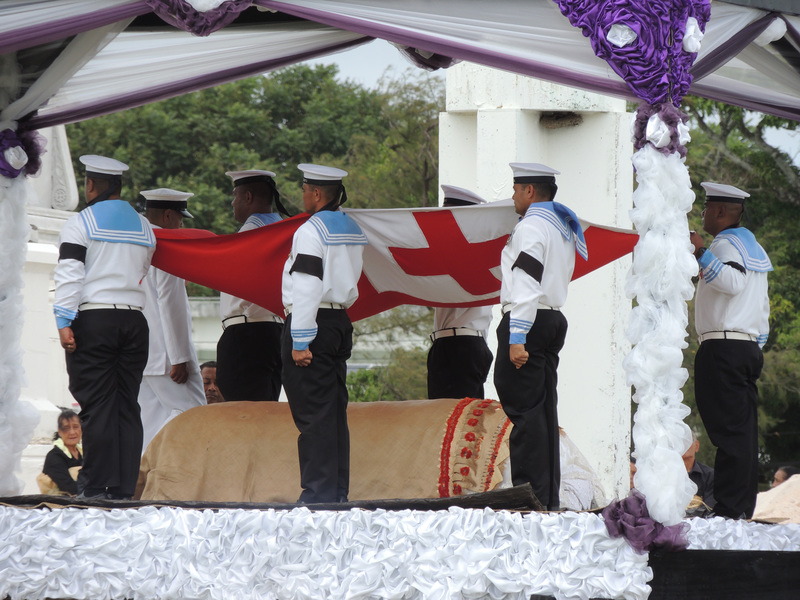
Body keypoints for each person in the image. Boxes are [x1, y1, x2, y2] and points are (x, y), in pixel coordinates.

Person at [53, 155, 155, 500]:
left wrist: (63, 320)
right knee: (127, 405)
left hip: (94, 319)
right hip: (134, 320)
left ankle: (95, 487)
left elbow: (70, 272)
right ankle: (123, 489)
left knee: (96, 407)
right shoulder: (145, 226)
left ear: (91, 185)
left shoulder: (80, 222)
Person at [493, 162, 587, 511]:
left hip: (528, 321)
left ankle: (529, 496)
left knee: (526, 413)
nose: (514, 195)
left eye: (516, 188)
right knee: (542, 412)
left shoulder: (532, 226)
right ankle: (545, 496)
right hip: (550, 318)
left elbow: (527, 280)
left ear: (530, 191)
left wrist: (517, 336)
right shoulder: (560, 227)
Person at [281, 163, 367, 503]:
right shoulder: (352, 228)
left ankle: (316, 494)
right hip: (339, 321)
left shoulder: (310, 231)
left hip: (311, 322)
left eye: (304, 189)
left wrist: (300, 340)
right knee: (332, 413)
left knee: (313, 414)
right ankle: (335, 491)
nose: (301, 195)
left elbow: (306, 285)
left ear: (317, 193)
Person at [690, 181, 772, 519]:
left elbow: (733, 282)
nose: (705, 213)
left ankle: (730, 508)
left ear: (721, 212)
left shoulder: (725, 243)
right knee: (740, 432)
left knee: (728, 433)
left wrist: (700, 252)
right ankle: (737, 506)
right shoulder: (750, 245)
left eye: (708, 207)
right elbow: (761, 307)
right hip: (743, 346)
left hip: (724, 347)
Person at [138, 188, 206, 453]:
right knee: (198, 419)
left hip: (143, 353)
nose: (181, 225)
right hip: (167, 356)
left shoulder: (135, 242)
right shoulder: (165, 245)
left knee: (148, 426)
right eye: (180, 218)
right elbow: (171, 303)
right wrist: (180, 357)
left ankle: (140, 486)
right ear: (167, 215)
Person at [217, 170, 285, 402]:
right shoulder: (284, 232)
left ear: (247, 197)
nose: (233, 203)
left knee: (243, 416)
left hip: (246, 333)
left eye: (235, 196)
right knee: (265, 411)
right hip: (275, 331)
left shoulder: (250, 234)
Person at [427, 185, 494, 400]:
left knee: (451, 422)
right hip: (466, 344)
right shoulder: (483, 250)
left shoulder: (461, 252)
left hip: (458, 346)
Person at [39, 410, 84, 496]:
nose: (72, 432)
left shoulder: (84, 454)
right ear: (59, 431)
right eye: (66, 428)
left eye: (76, 427)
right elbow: (68, 487)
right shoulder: (54, 456)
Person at [683, 430, 716, 509]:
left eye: (688, 440)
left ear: (696, 446)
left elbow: (709, 507)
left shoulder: (710, 475)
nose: (685, 444)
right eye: (680, 441)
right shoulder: (666, 475)